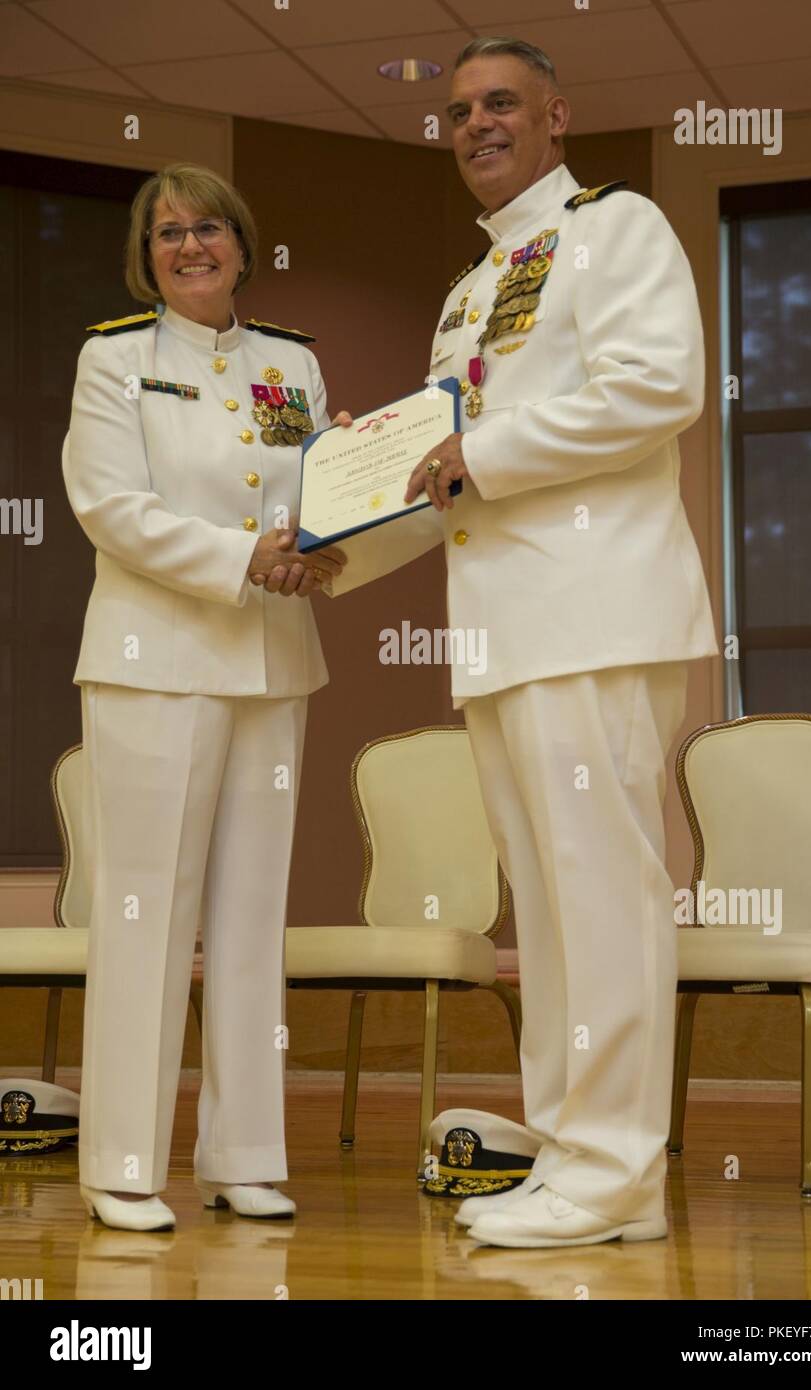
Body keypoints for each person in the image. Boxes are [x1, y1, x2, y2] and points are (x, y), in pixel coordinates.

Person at [402, 37, 719, 1247]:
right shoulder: (467, 292)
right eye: (456, 111)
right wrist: (337, 536)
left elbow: (655, 387)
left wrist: (477, 452)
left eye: (499, 104)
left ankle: (616, 1166)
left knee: (603, 894)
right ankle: (573, 1158)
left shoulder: (616, 224)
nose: (475, 123)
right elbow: (435, 474)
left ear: (555, 117)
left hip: (592, 610)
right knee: (544, 904)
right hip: (503, 630)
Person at [62, 162, 347, 1232]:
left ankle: (242, 1156)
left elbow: (323, 505)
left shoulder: (291, 363)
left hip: (273, 660)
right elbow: (109, 507)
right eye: (168, 232)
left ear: (241, 241)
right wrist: (245, 555)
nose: (190, 246)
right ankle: (124, 1164)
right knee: (145, 914)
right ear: (146, 257)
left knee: (247, 917)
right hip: (156, 660)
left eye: (209, 228)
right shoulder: (114, 359)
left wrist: (333, 538)